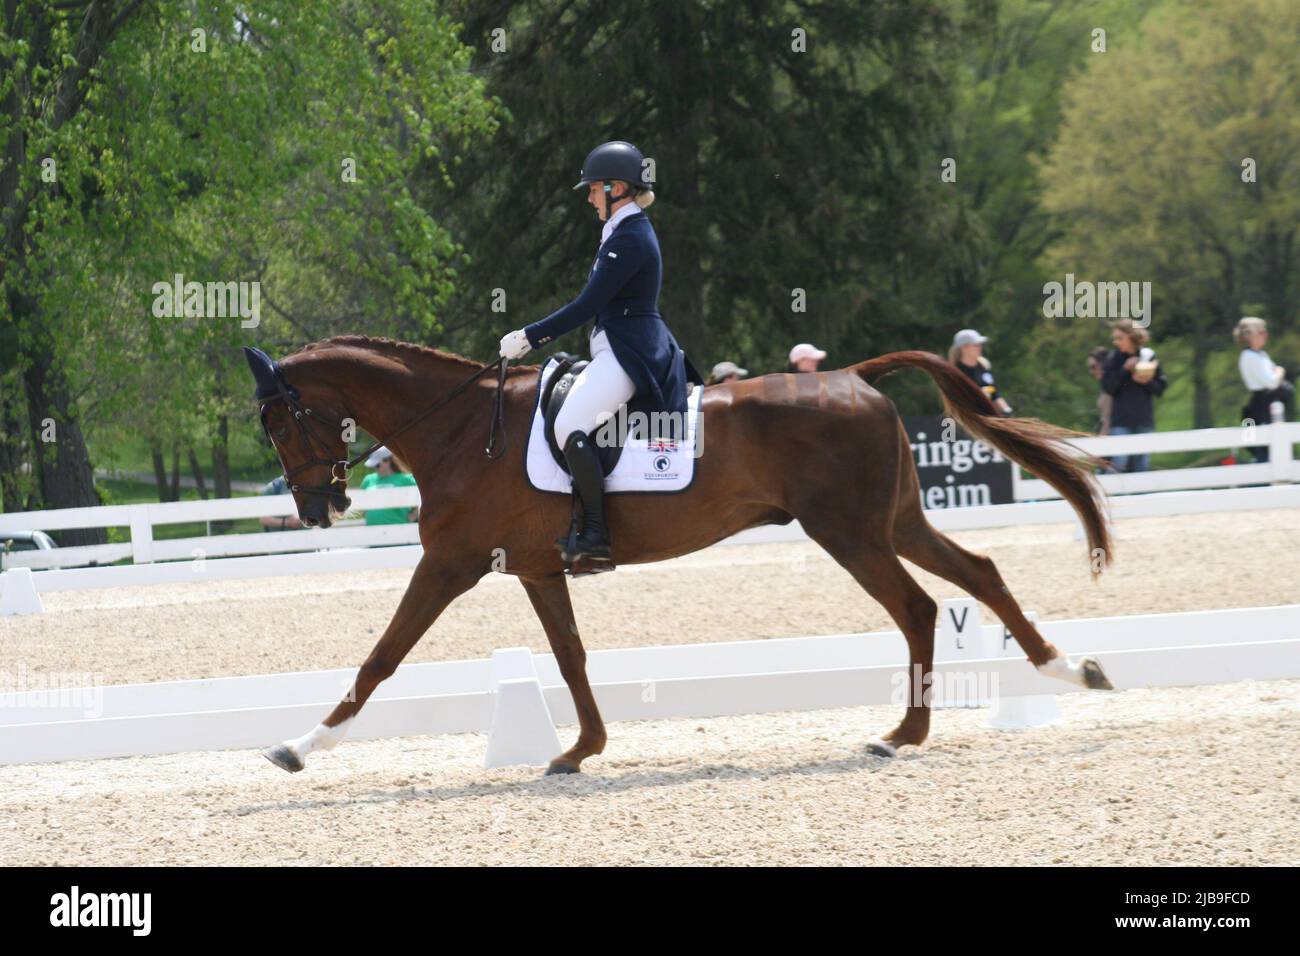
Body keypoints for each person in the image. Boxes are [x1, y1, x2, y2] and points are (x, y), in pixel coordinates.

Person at [497, 140, 699, 565]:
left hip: (630, 353)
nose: (589, 197)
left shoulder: (630, 237)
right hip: (618, 347)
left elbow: (586, 306)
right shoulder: (621, 231)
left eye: (593, 189)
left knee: (569, 422)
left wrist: (529, 337)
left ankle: (594, 532)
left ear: (617, 188)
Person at [1101, 319, 1167, 473]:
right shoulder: (1113, 359)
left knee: (1142, 464)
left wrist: (1146, 381)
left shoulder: (1148, 356)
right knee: (1119, 462)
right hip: (1121, 422)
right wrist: (1125, 370)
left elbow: (1160, 388)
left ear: (1132, 337)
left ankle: (1140, 496)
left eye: (1120, 338)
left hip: (1143, 419)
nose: (1116, 342)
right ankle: (1113, 496)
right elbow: (1108, 388)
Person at [1235, 316, 1293, 463]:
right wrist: (1280, 371)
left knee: (1277, 447)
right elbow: (1272, 381)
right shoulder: (1248, 356)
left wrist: (1277, 373)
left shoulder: (1261, 355)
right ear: (1249, 336)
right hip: (1261, 407)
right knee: (1264, 450)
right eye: (1260, 332)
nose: (1265, 335)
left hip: (1270, 405)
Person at [948, 329, 1012, 416]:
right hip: (967, 420)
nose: (980, 347)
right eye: (976, 345)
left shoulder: (984, 366)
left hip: (989, 417)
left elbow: (995, 395)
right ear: (964, 348)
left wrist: (1007, 411)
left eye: (980, 344)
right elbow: (956, 403)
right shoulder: (955, 373)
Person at [358, 447, 418, 526]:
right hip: (372, 530)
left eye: (377, 465)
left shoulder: (406, 479)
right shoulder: (368, 480)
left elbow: (423, 497)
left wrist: (414, 514)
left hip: (399, 529)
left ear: (387, 460)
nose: (375, 468)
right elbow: (360, 502)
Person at [1087, 346, 1113, 435]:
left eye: (1093, 366)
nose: (1091, 371)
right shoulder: (1106, 386)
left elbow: (1108, 418)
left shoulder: (1112, 387)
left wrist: (1103, 436)